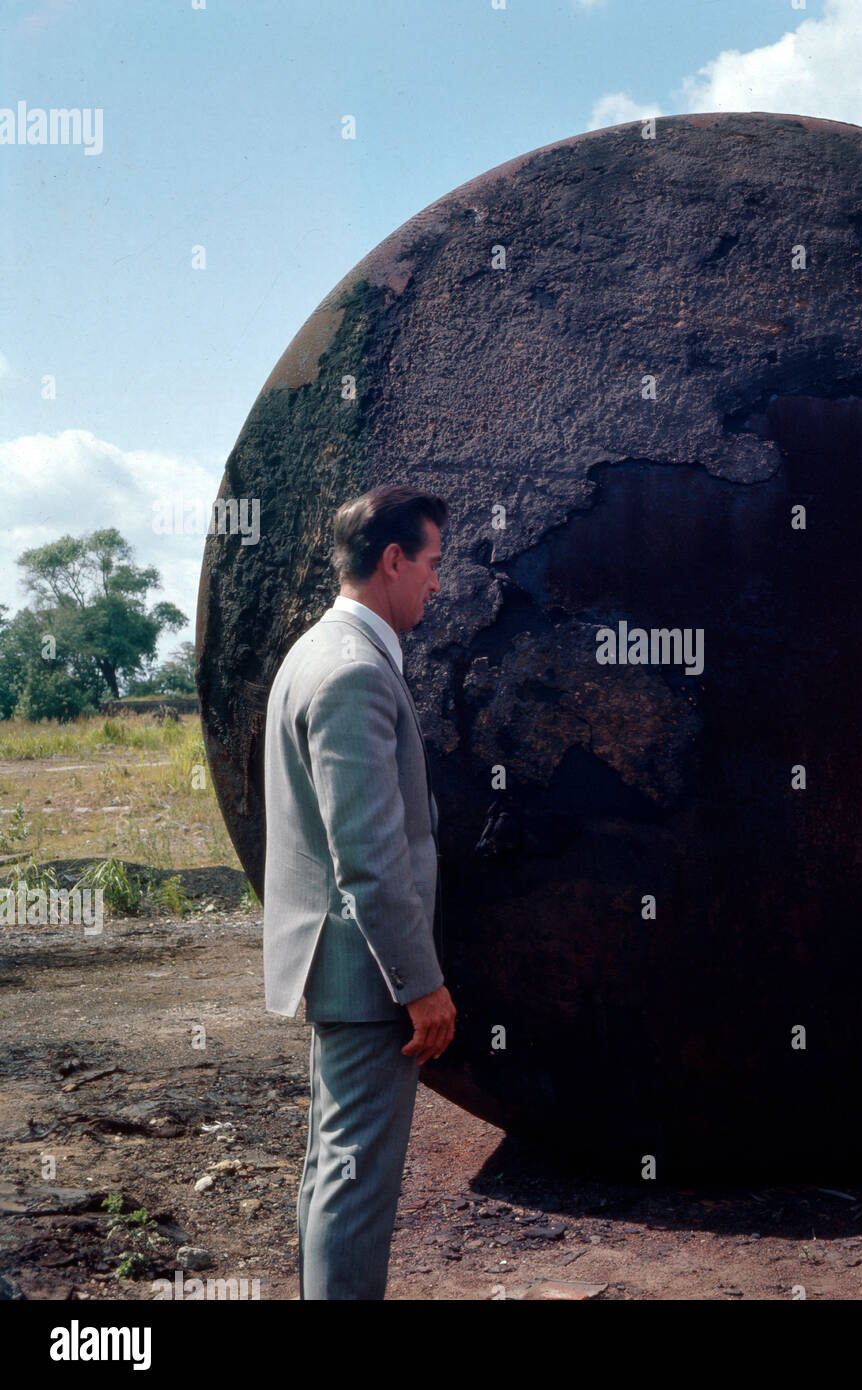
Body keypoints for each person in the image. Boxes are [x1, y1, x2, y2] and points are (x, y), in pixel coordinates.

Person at [262, 483, 457, 1300]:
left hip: (339, 968)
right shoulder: (353, 673)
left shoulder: (315, 652)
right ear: (391, 561)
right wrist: (423, 987)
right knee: (355, 1189)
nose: (437, 584)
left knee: (330, 1173)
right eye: (432, 563)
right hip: (370, 979)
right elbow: (369, 859)